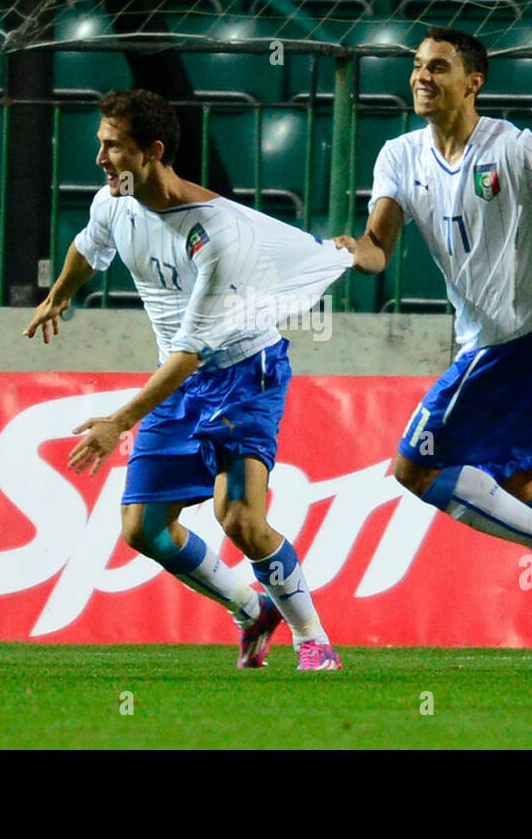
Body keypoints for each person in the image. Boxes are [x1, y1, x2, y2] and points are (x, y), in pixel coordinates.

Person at [335, 26, 532, 670]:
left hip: (506, 343)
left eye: (438, 67)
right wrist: (352, 252)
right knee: (516, 481)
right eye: (417, 66)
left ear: (472, 82)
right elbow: (379, 248)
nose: (421, 77)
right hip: (505, 339)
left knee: (413, 469)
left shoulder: (514, 149)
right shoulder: (399, 156)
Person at [26, 89, 351, 670]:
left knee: (241, 520)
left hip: (243, 371)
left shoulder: (216, 233)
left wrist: (117, 423)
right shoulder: (114, 204)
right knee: (143, 530)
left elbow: (192, 351)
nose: (100, 159)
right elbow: (86, 247)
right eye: (99, 144)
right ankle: (252, 610)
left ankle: (314, 638)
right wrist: (59, 295)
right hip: (180, 376)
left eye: (113, 147)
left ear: (153, 152)